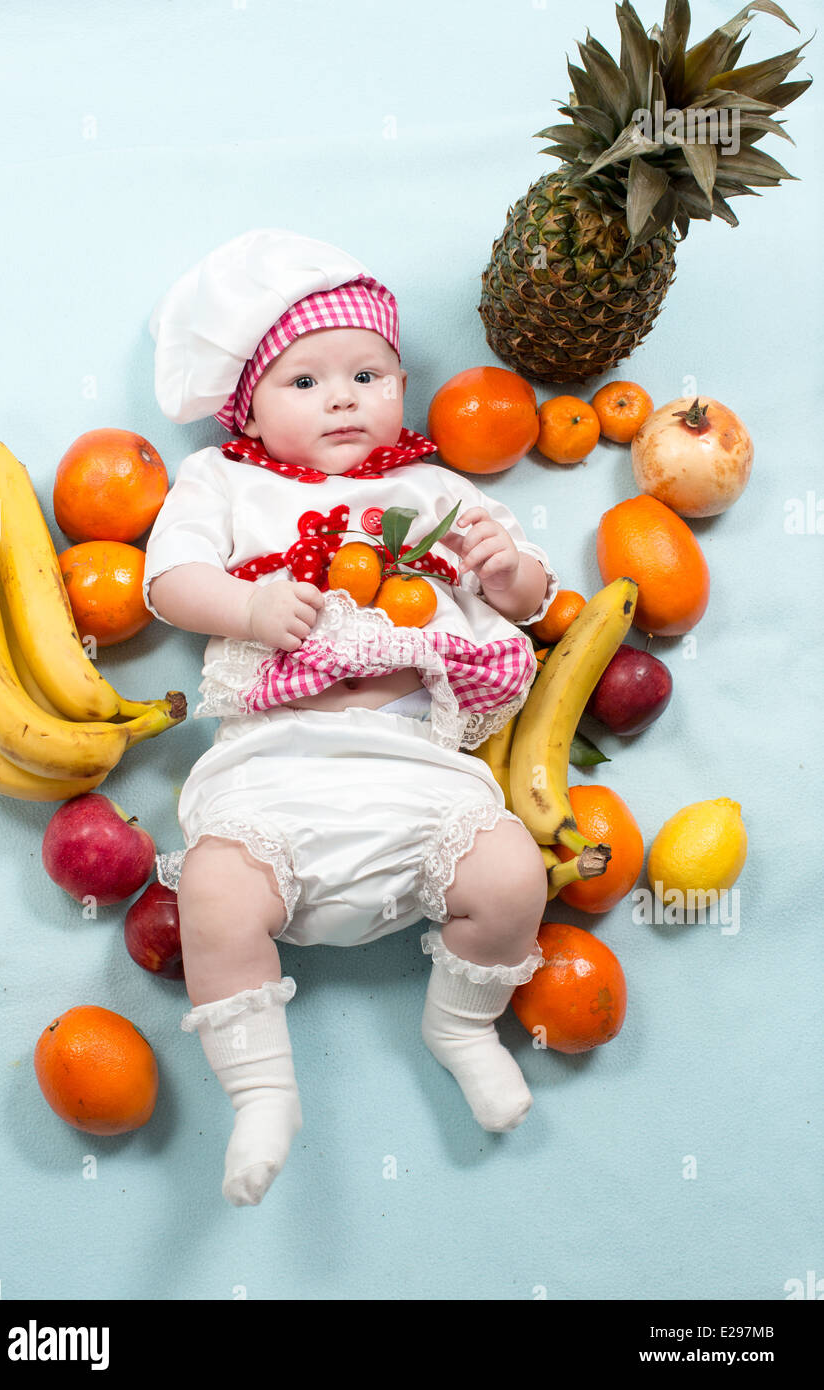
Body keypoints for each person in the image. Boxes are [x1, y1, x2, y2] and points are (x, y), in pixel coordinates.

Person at [143, 229, 560, 1207]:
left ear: (402, 385)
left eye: (367, 372)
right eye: (304, 380)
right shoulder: (224, 483)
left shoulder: (431, 490)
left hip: (419, 774)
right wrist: (248, 608)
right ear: (246, 405)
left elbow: (534, 597)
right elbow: (168, 581)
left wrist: (507, 577)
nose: (341, 396)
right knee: (212, 892)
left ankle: (460, 1022)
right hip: (273, 776)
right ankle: (260, 1088)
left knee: (508, 875)